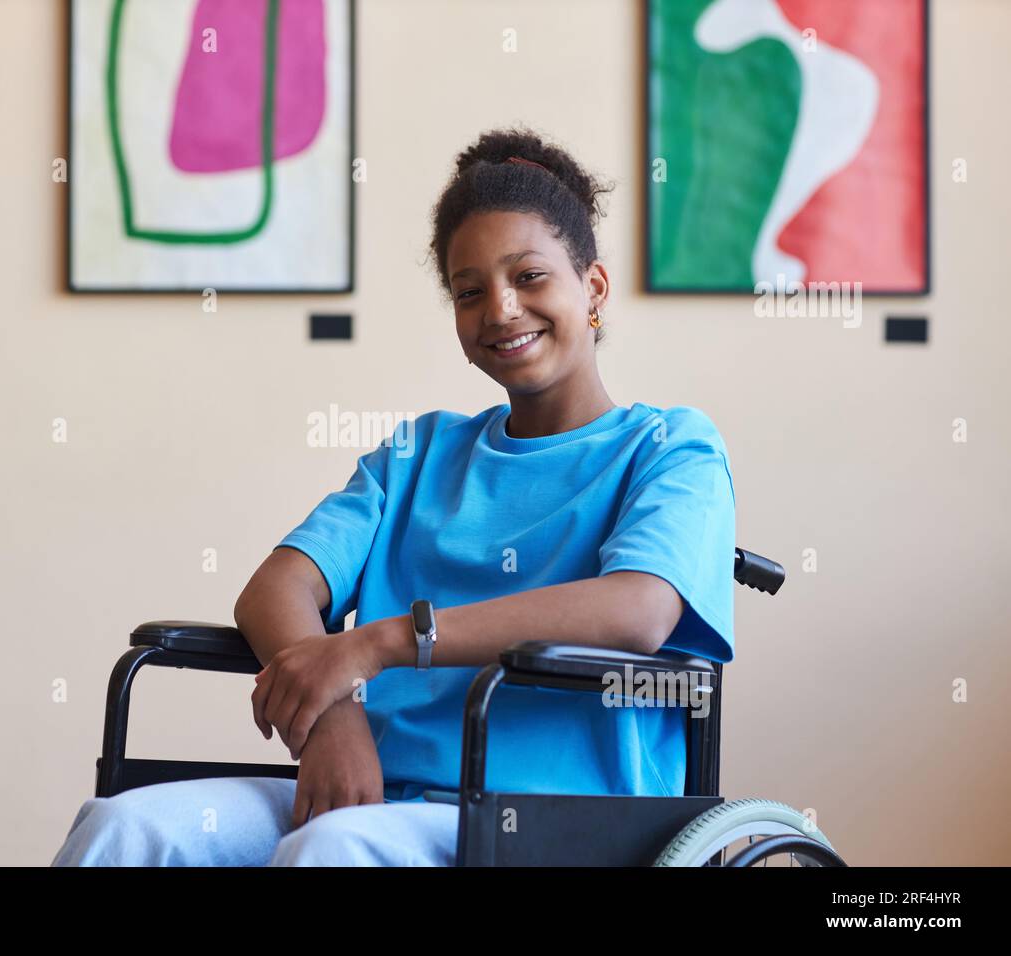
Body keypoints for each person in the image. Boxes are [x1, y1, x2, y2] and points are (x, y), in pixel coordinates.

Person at [51, 125, 736, 867]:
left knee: (332, 848)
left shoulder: (671, 448)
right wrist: (333, 717)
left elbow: (636, 610)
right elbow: (276, 589)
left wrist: (374, 646)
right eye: (470, 292)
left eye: (530, 277)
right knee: (124, 828)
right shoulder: (419, 453)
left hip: (554, 822)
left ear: (592, 288)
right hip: (376, 796)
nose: (501, 309)